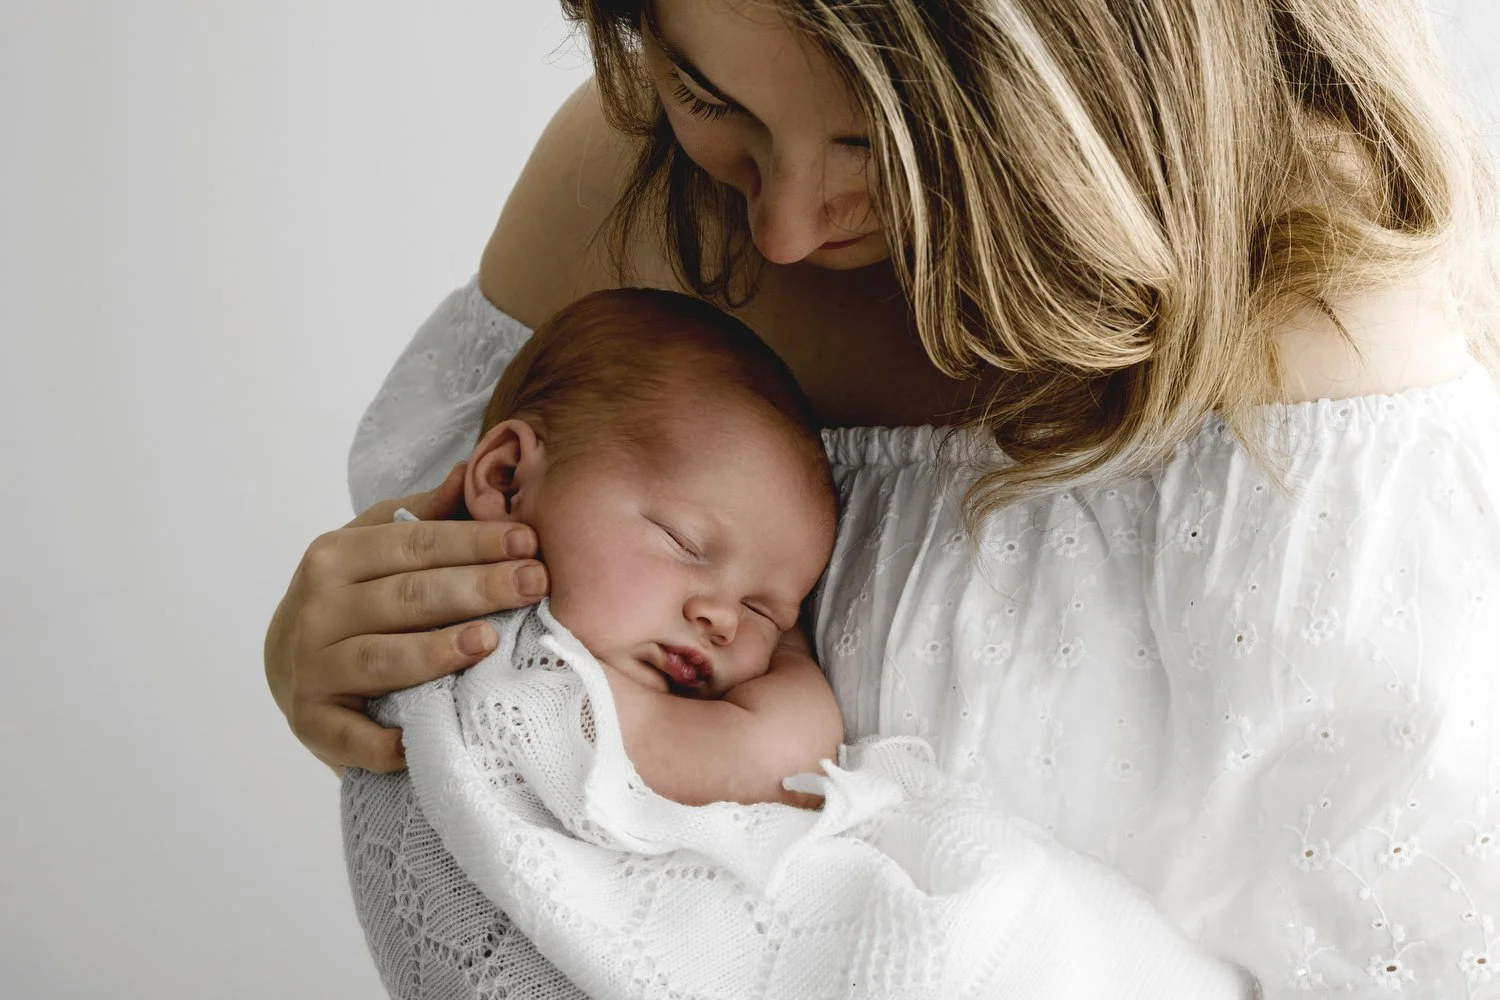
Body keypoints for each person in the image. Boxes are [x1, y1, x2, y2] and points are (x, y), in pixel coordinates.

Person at [267, 0, 1500, 994]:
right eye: (714, 98)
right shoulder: (620, 184)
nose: (788, 228)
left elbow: (1421, 945)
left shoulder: (1317, 304)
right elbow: (460, 655)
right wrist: (350, 644)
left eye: (880, 145)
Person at [371, 285, 845, 809]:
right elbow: (784, 757)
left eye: (764, 611)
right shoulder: (521, 680)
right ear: (508, 479)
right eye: (683, 542)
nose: (724, 621)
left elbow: (793, 764)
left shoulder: (605, 699)